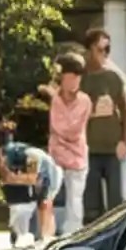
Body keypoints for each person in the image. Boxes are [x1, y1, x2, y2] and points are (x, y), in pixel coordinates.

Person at [79, 28, 126, 222]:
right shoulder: (80, 78)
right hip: (89, 149)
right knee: (91, 204)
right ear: (89, 49)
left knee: (116, 203)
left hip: (113, 149)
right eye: (100, 49)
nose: (104, 53)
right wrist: (93, 111)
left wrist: (125, 141)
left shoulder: (114, 77)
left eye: (107, 49)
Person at [0, 122, 63, 245]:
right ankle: (28, 234)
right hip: (36, 173)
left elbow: (32, 178)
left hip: (51, 173)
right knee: (36, 202)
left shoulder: (31, 155)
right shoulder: (3, 151)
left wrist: (13, 178)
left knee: (44, 203)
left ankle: (47, 237)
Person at [46, 52, 92, 235]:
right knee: (49, 196)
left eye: (78, 77)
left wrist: (64, 132)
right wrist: (64, 131)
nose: (75, 82)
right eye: (71, 77)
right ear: (62, 77)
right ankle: (46, 233)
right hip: (56, 155)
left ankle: (72, 235)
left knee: (75, 200)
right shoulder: (55, 99)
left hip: (77, 157)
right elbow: (57, 126)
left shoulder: (85, 101)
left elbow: (73, 131)